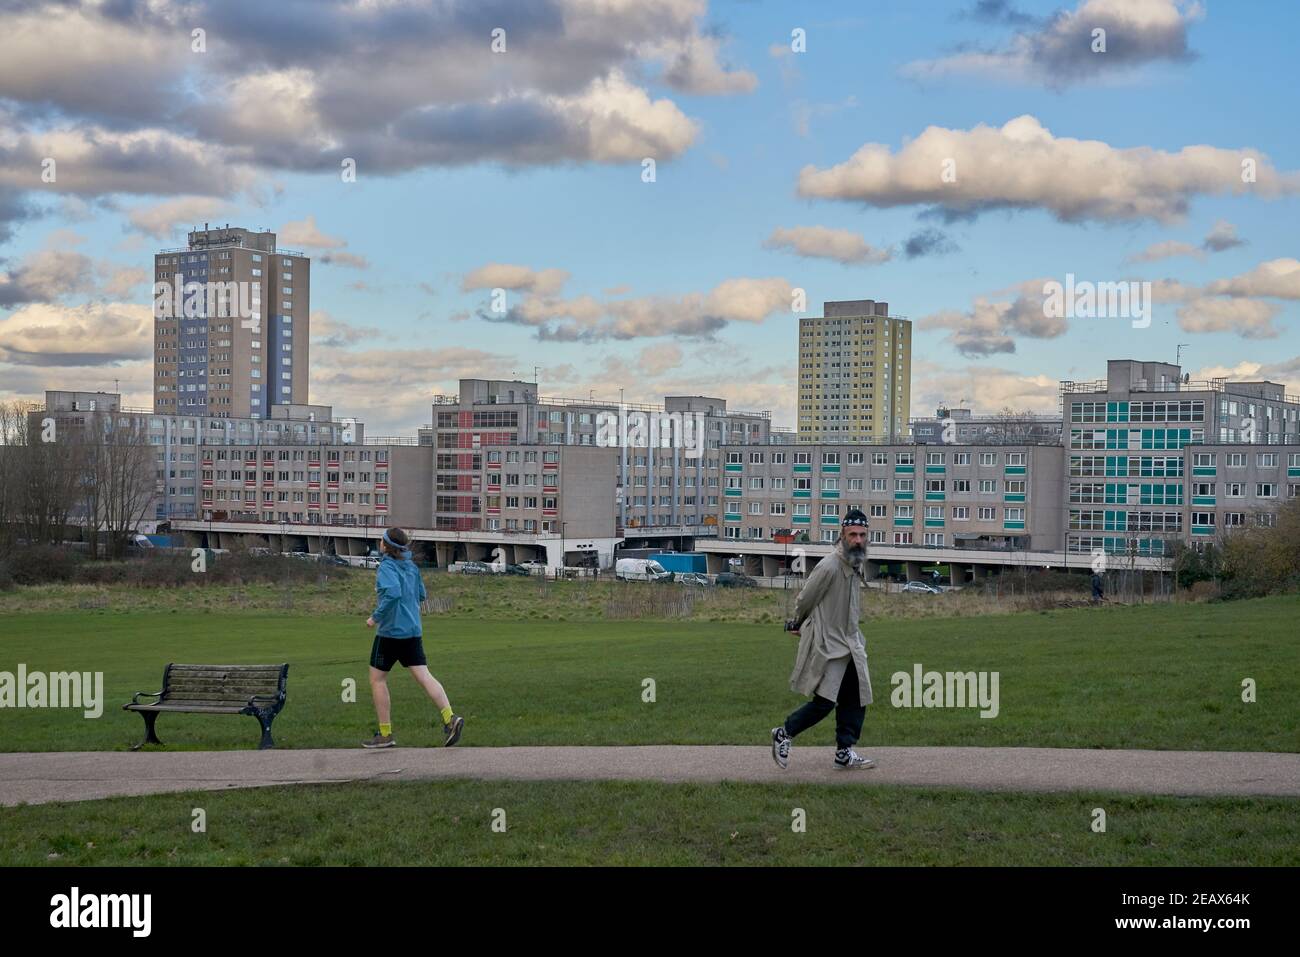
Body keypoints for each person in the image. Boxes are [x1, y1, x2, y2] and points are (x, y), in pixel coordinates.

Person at [771, 509, 875, 770]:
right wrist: (798, 622)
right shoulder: (829, 566)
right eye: (853, 534)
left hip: (852, 642)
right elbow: (805, 598)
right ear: (843, 535)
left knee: (856, 697)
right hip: (830, 644)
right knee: (825, 702)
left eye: (862, 535)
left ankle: (844, 751)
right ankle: (784, 733)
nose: (858, 540)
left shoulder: (856, 563)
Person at [362, 527, 463, 749]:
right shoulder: (411, 567)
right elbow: (422, 595)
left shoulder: (386, 567)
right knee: (424, 676)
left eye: (382, 539)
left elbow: (393, 593)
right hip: (412, 631)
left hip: (389, 633)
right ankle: (450, 718)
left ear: (386, 545)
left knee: (377, 680)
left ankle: (385, 734)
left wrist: (375, 617)